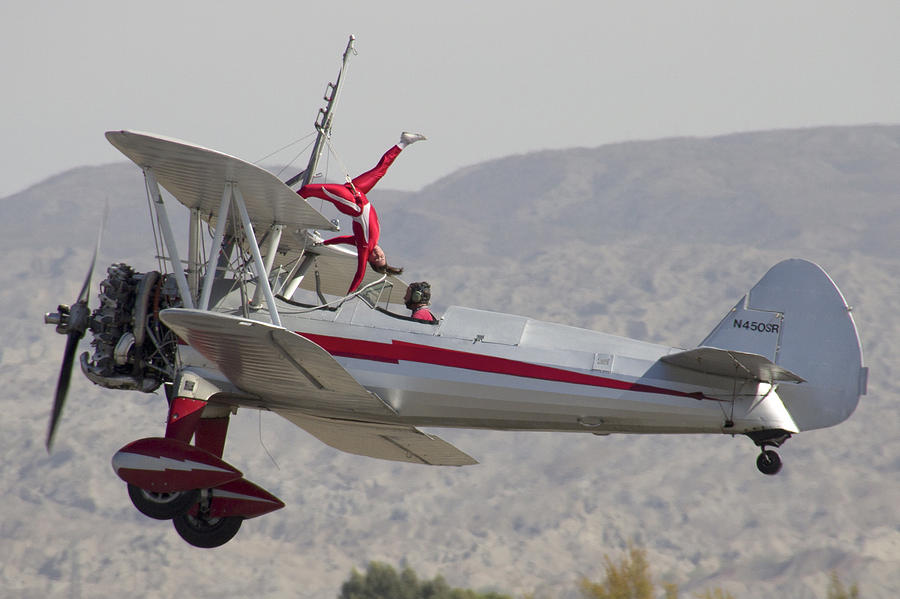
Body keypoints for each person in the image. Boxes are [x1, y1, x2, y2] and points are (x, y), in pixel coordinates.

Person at [298, 132, 426, 294]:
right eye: (382, 257)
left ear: (369, 259)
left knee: (308, 190)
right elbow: (344, 239)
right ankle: (404, 142)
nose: (378, 256)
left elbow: (360, 273)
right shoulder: (366, 241)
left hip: (352, 203)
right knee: (380, 170)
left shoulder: (364, 247)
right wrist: (326, 243)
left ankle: (286, 203)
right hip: (358, 193)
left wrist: (349, 293)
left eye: (375, 259)